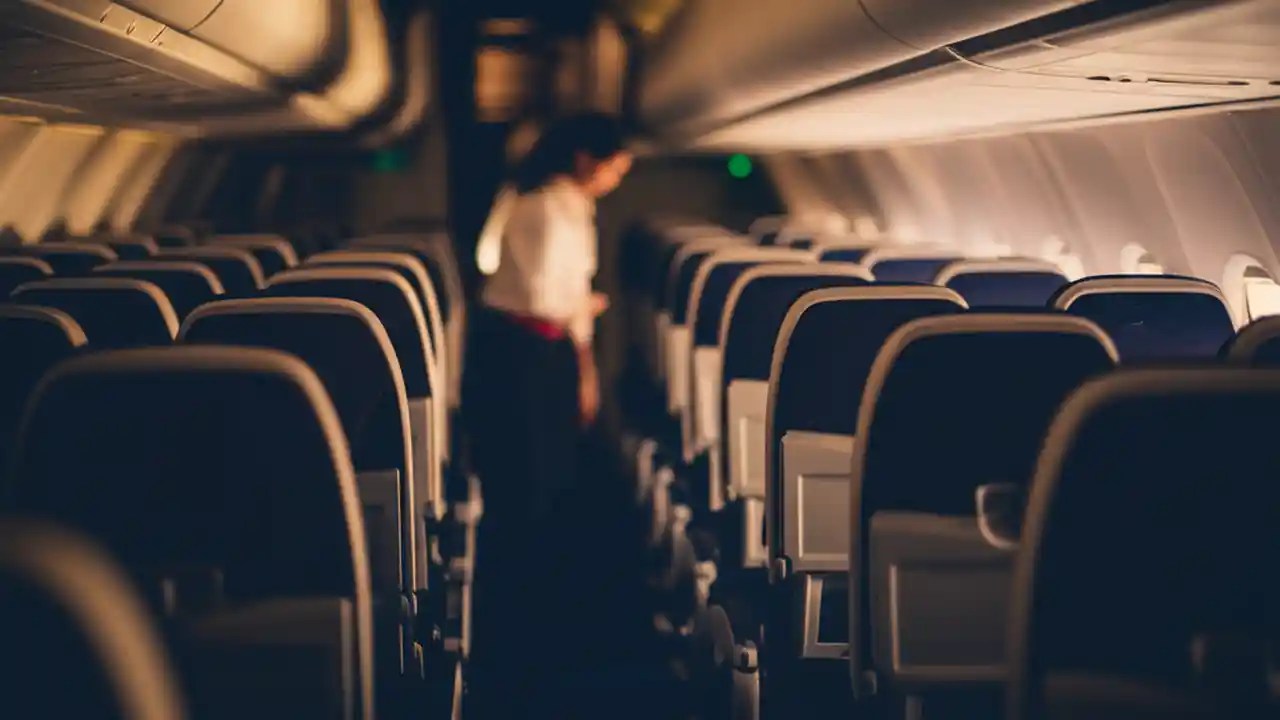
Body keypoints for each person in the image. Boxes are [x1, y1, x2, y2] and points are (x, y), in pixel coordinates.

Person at [462, 111, 633, 717]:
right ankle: (520, 624)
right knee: (529, 475)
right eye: (615, 164)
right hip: (522, 351)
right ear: (586, 159)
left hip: (553, 350)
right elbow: (539, 295)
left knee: (557, 469)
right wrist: (582, 304)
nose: (618, 176)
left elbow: (568, 308)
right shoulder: (537, 206)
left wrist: (585, 370)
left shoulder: (574, 207)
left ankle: (547, 603)